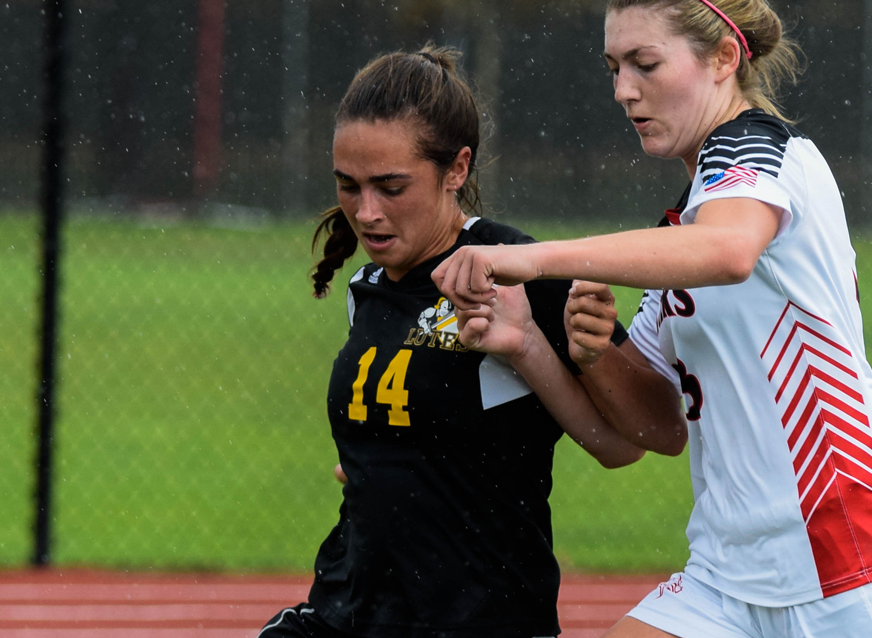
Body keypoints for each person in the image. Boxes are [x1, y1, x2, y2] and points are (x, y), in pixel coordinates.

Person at [435, 0, 872, 638]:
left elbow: (727, 251)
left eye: (646, 64)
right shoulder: (687, 220)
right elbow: (656, 426)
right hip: (725, 579)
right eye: (613, 69)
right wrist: (583, 349)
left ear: (724, 58)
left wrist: (530, 259)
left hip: (858, 572)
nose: (623, 90)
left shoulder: (756, 151)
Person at [258, 45, 684, 638]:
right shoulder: (368, 287)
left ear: (456, 169)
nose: (367, 212)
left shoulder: (519, 271)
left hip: (478, 619)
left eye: (390, 186)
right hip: (348, 610)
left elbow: (626, 445)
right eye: (348, 186)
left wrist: (535, 346)